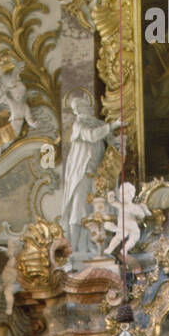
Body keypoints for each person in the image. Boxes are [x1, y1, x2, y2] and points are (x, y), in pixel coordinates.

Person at [61, 91, 121, 255]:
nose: (78, 111)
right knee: (78, 208)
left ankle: (96, 248)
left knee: (96, 210)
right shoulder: (79, 125)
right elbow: (92, 135)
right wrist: (113, 125)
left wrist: (120, 145)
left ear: (87, 106)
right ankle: (72, 249)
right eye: (75, 109)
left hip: (98, 174)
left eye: (80, 106)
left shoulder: (98, 124)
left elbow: (111, 141)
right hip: (82, 173)